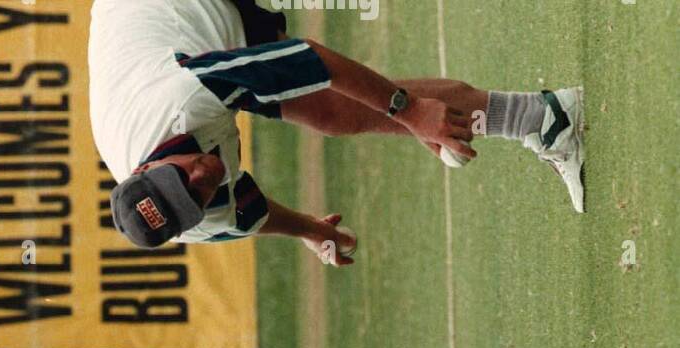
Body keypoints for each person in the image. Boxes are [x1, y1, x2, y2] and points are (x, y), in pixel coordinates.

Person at [91, 0, 585, 260]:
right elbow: (249, 216)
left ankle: (544, 120)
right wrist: (312, 231)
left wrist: (408, 110)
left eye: (182, 179)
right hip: (198, 30)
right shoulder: (194, 221)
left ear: (151, 164)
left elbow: (309, 60)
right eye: (192, 199)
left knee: (343, 105)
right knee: (337, 115)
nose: (202, 178)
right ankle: (545, 118)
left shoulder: (182, 99)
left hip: (167, 13)